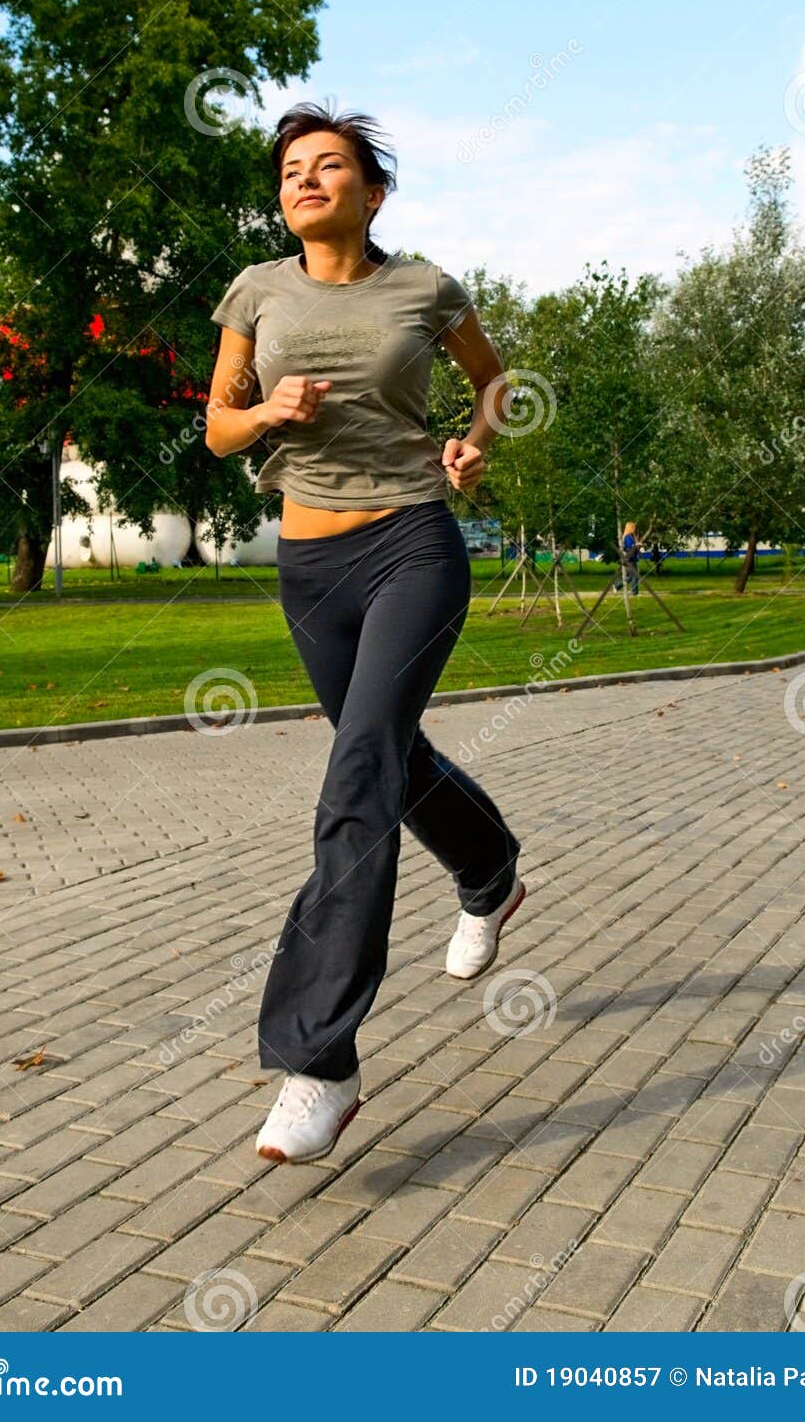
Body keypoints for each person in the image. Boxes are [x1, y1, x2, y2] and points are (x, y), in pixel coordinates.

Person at [206, 100, 524, 1165]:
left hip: (412, 547)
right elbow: (217, 427)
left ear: (371, 191)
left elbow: (496, 385)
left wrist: (475, 445)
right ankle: (490, 873)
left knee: (356, 777)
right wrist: (266, 415)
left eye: (327, 163)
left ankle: (319, 1060)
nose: (304, 177)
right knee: (388, 757)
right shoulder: (256, 290)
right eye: (291, 166)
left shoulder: (421, 287)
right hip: (309, 564)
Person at [611, 521, 640, 595]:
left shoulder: (630, 536)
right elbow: (630, 547)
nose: (635, 529)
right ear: (630, 528)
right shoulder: (627, 537)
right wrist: (637, 545)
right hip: (630, 559)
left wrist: (637, 545)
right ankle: (634, 592)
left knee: (631, 576)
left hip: (632, 559)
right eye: (633, 527)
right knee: (635, 575)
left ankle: (617, 586)